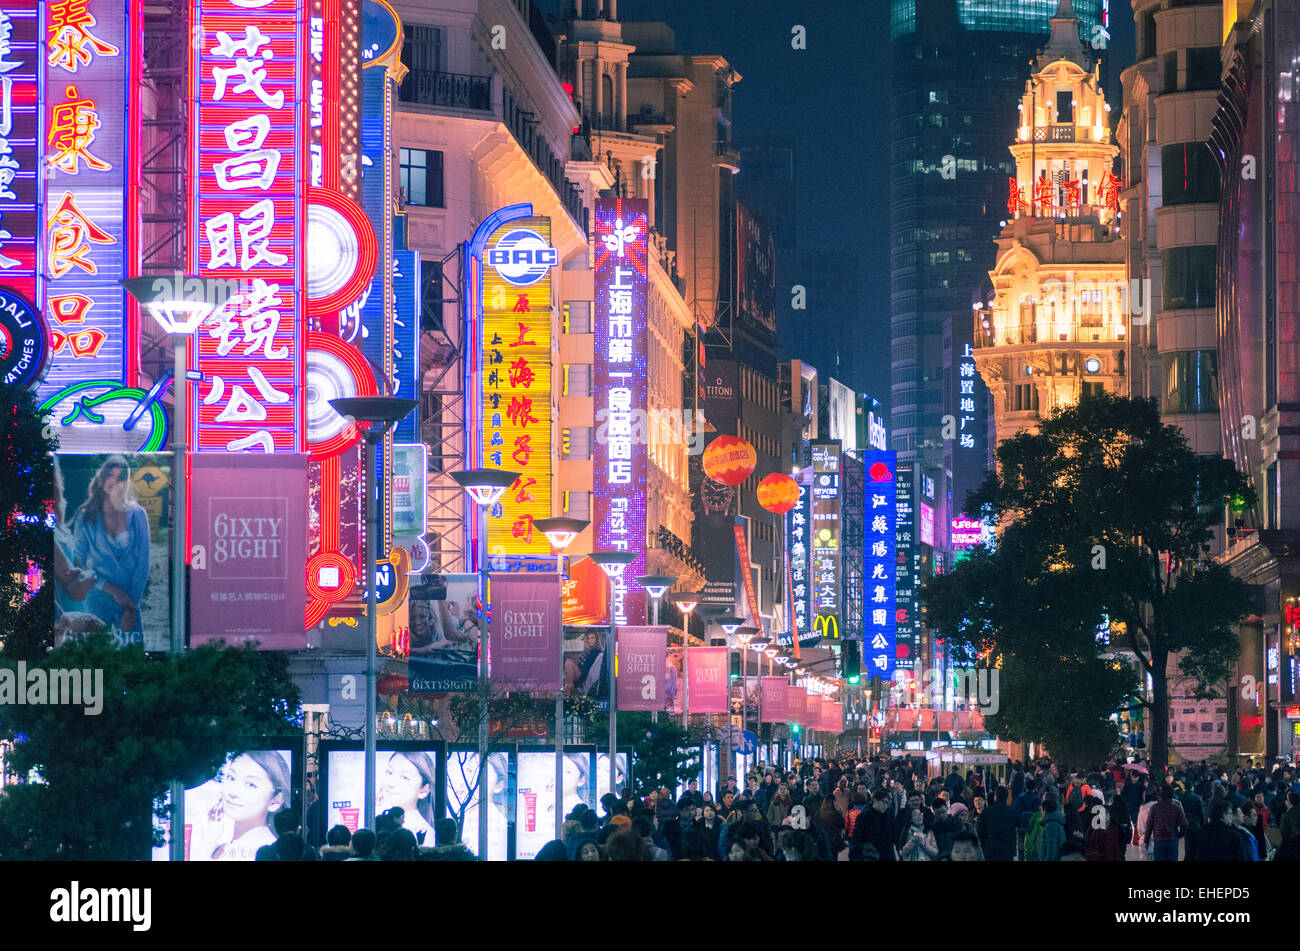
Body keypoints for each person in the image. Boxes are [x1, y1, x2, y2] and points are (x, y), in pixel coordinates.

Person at [68, 456, 152, 639]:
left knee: (132, 660)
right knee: (97, 659)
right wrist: (110, 589)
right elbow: (77, 561)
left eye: (120, 477)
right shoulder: (85, 516)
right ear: (101, 479)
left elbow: (143, 563)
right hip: (97, 599)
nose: (114, 481)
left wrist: (130, 605)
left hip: (130, 600)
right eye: (110, 475)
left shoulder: (137, 514)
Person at [203, 751, 291, 862]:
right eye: (231, 778)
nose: (233, 792)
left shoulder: (270, 852)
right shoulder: (219, 847)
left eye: (250, 784)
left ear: (276, 801)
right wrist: (210, 839)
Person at [377, 751, 436, 845]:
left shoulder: (424, 832)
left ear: (424, 790)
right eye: (389, 772)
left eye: (404, 777)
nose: (390, 784)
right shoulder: (382, 818)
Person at [850, 789, 897, 861]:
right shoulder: (864, 816)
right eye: (884, 802)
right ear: (875, 801)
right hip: (870, 854)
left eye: (888, 803)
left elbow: (893, 833)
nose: (886, 806)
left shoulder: (889, 813)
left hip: (887, 853)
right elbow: (856, 839)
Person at [1146, 785, 1187, 862]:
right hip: (1172, 840)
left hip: (1159, 840)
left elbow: (1149, 825)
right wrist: (1179, 835)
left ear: (1160, 794)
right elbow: (1185, 824)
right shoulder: (1176, 808)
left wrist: (1146, 840)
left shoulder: (1154, 808)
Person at [976, 785, 1018, 862]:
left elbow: (980, 831)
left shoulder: (987, 811)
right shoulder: (1011, 812)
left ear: (995, 797)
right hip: (1007, 850)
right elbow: (1016, 827)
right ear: (1006, 797)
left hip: (990, 849)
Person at [1037, 795, 1066, 862]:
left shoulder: (1051, 825)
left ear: (1045, 810)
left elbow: (1051, 848)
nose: (1041, 812)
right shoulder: (1055, 821)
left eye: (1041, 810)